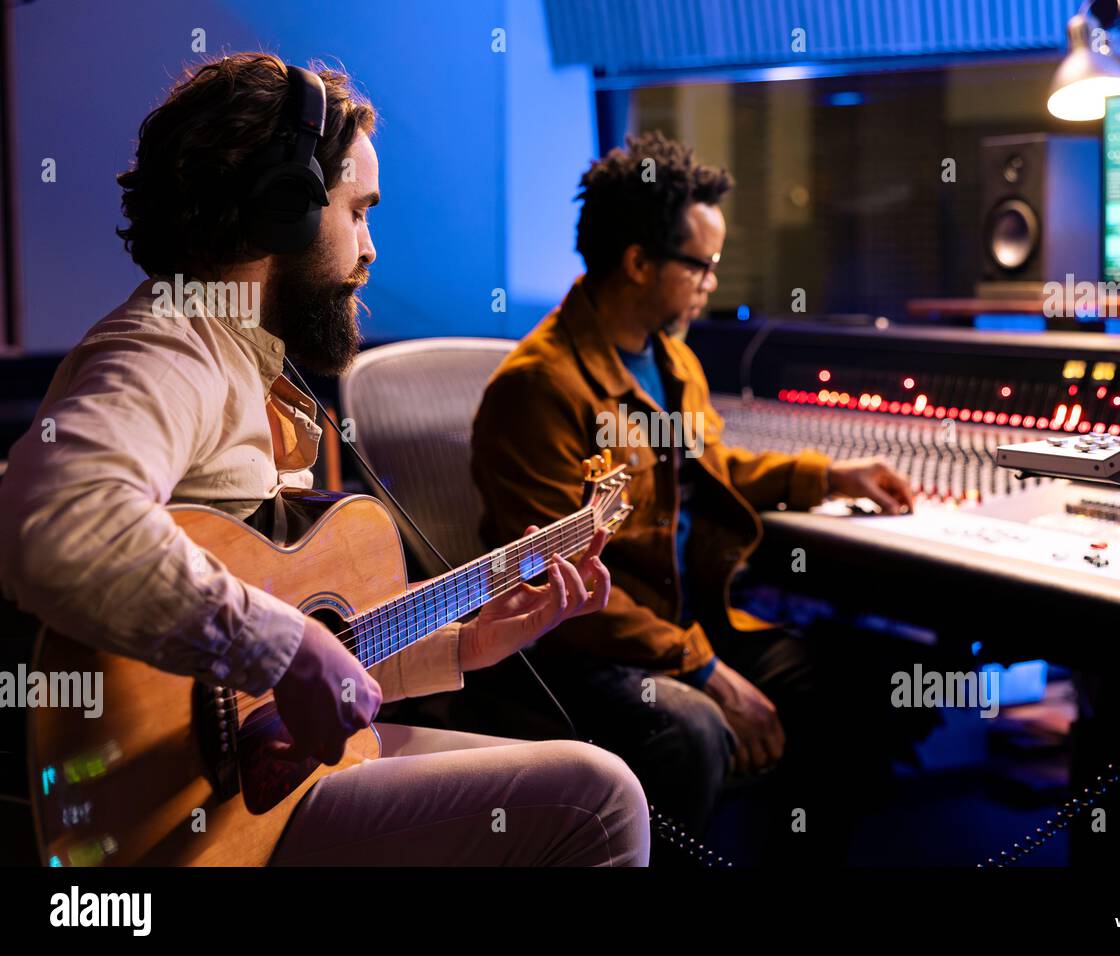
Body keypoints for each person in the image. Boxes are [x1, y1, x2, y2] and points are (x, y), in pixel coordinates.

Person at [0, 54, 648, 867]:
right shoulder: (169, 348)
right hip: (155, 822)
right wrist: (285, 647)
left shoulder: (242, 357)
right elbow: (61, 523)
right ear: (286, 212)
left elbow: (277, 683)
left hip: (243, 791)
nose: (370, 250)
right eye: (359, 212)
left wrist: (462, 647)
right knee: (599, 798)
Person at [470, 132, 916, 861]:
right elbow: (557, 589)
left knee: (845, 687)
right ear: (639, 262)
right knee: (693, 733)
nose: (713, 281)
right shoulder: (537, 389)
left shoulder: (673, 359)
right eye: (701, 265)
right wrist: (705, 670)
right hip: (580, 650)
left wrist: (830, 477)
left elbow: (709, 467)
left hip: (681, 627)